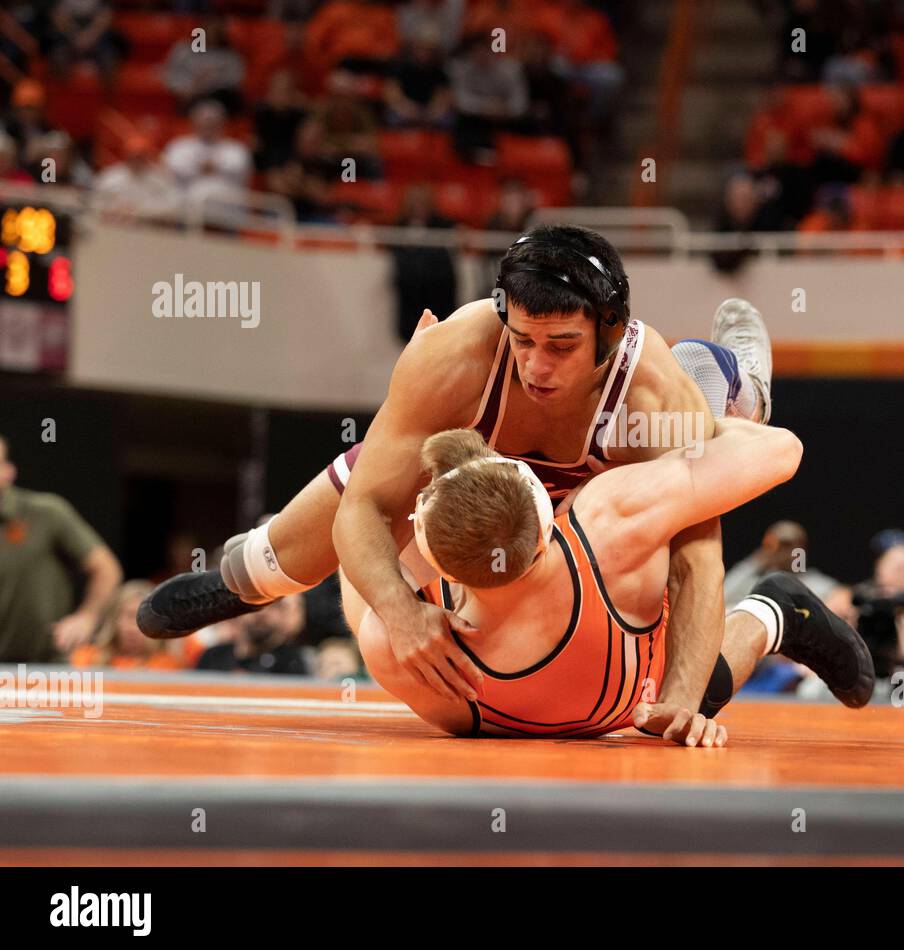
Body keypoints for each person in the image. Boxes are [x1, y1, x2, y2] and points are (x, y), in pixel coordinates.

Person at [140, 224, 774, 740]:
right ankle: (249, 577)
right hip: (492, 487)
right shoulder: (455, 354)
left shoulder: (653, 392)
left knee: (711, 418)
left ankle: (743, 384)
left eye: (561, 345)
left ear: (606, 336)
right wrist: (401, 614)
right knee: (368, 477)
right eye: (522, 340)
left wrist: (685, 699)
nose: (536, 366)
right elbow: (363, 509)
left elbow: (697, 558)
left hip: (600, 494)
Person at [343, 420, 875, 743]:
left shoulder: (393, 641)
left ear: (434, 554)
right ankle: (770, 613)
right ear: (544, 515)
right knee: (676, 707)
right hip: (640, 684)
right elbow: (784, 450)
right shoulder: (609, 521)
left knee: (663, 717)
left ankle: (766, 615)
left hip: (596, 709)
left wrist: (397, 428)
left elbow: (359, 527)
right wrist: (691, 425)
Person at [0, 433, 123, 663]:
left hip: (46, 666)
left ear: (9, 471)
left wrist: (87, 617)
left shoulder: (46, 513)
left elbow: (106, 568)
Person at [69, 580, 183, 671]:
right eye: (129, 616)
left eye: (144, 619)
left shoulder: (168, 666)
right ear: (114, 619)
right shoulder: (88, 658)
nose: (134, 628)